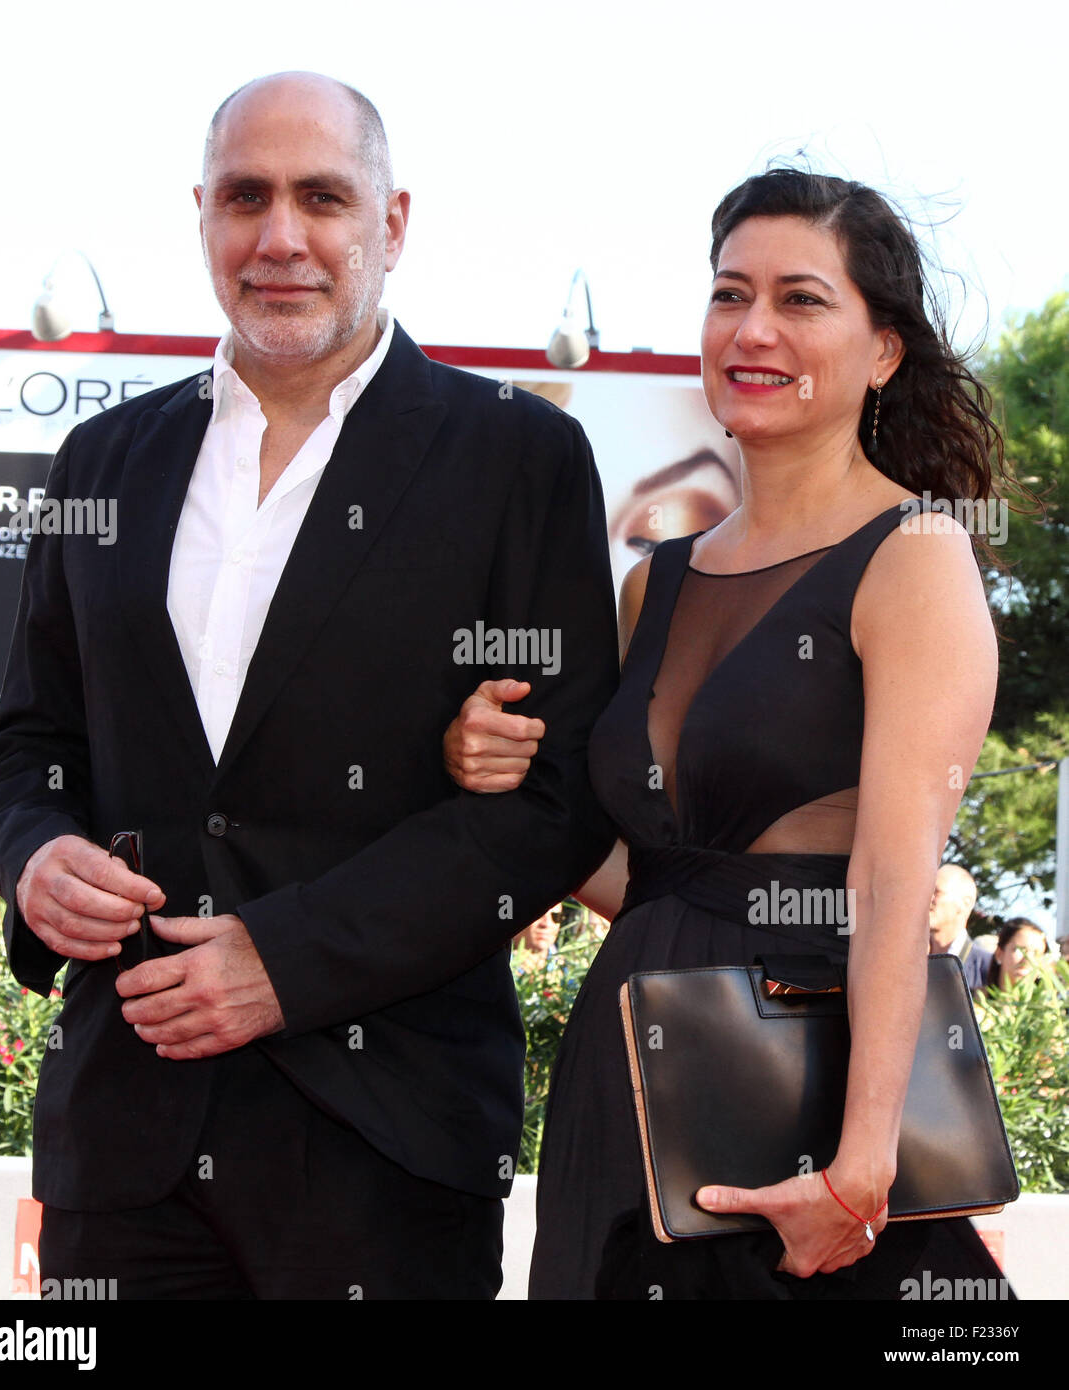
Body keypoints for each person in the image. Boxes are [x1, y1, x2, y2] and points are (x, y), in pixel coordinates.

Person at [0, 71, 619, 1300]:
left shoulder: (516, 457)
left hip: (384, 1140)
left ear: (392, 222)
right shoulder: (104, 458)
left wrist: (286, 959)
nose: (280, 237)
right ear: (203, 217)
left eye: (321, 198)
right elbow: (30, 742)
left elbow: (552, 804)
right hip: (124, 1145)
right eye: (244, 198)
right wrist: (37, 856)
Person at [446, 168, 1015, 1299]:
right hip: (632, 1100)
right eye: (727, 294)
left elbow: (893, 882)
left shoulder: (912, 560)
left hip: (805, 1116)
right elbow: (646, 877)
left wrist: (864, 1166)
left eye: (800, 299)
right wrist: (494, 770)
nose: (751, 329)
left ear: (882, 350)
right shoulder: (650, 583)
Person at [928, 862, 993, 992]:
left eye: (937, 892)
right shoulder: (907, 959)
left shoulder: (987, 969)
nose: (927, 898)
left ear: (965, 903)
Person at [985, 918, 1050, 992]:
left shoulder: (1050, 1002)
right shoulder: (973, 999)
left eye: (1036, 954)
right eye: (1020, 950)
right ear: (999, 953)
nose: (1028, 960)